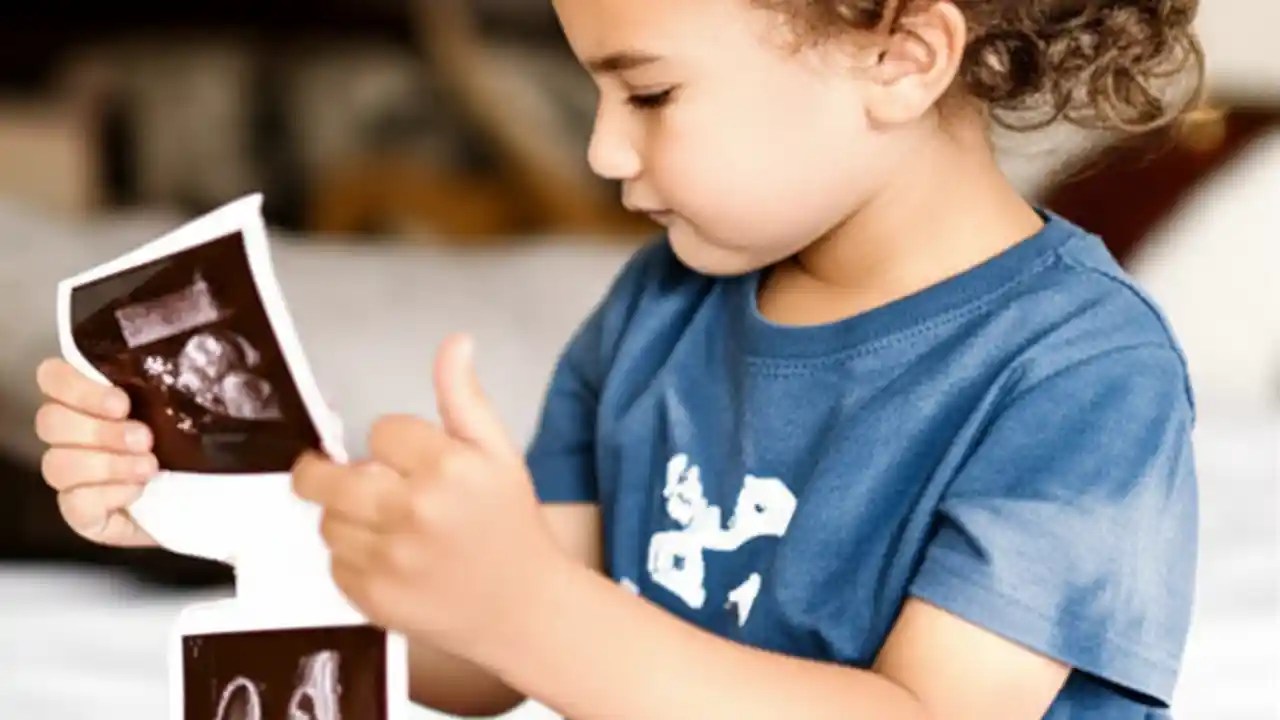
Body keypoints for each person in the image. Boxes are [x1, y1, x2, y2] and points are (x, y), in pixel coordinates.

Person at [32, 0, 1205, 717]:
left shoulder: (1077, 373)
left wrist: (535, 610)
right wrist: (238, 515)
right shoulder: (659, 307)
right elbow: (481, 659)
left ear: (901, 55)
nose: (598, 150)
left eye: (646, 90)